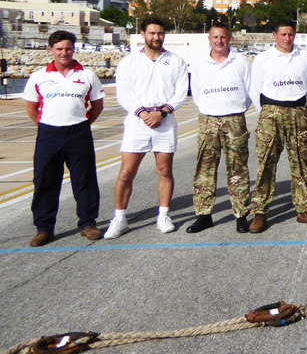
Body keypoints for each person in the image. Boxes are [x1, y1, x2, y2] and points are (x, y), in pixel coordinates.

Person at [105, 17, 188, 238]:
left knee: (165, 171)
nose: (156, 37)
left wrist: (162, 113)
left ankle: (163, 216)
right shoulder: (129, 62)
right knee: (126, 173)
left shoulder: (176, 60)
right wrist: (143, 114)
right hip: (137, 122)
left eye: (160, 33)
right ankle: (120, 219)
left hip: (165, 120)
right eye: (152, 33)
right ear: (143, 34)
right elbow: (124, 94)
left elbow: (180, 92)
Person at [23, 30, 105, 247]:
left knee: (85, 179)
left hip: (79, 133)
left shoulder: (86, 75)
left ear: (73, 49)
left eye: (68, 48)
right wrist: (45, 125)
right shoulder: (39, 77)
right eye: (59, 49)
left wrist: (84, 124)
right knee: (45, 181)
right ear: (51, 50)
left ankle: (88, 224)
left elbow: (97, 105)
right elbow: (31, 107)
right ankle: (44, 228)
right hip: (49, 134)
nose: (64, 53)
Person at [246, 20, 307, 233]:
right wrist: (267, 113)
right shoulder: (263, 59)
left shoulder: (304, 57)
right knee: (266, 163)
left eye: (291, 34)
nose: (287, 38)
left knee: (300, 162)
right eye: (283, 34)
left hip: (297, 111)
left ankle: (304, 209)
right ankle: (260, 212)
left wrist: (296, 108)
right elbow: (255, 90)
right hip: (271, 112)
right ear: (274, 35)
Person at [188, 23, 253, 234]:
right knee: (205, 169)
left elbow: (248, 92)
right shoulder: (199, 64)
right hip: (208, 121)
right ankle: (204, 215)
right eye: (215, 37)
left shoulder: (240, 62)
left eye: (223, 37)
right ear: (209, 38)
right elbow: (197, 93)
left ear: (229, 39)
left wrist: (234, 110)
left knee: (238, 169)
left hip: (234, 119)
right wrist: (211, 110)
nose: (219, 41)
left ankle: (241, 215)